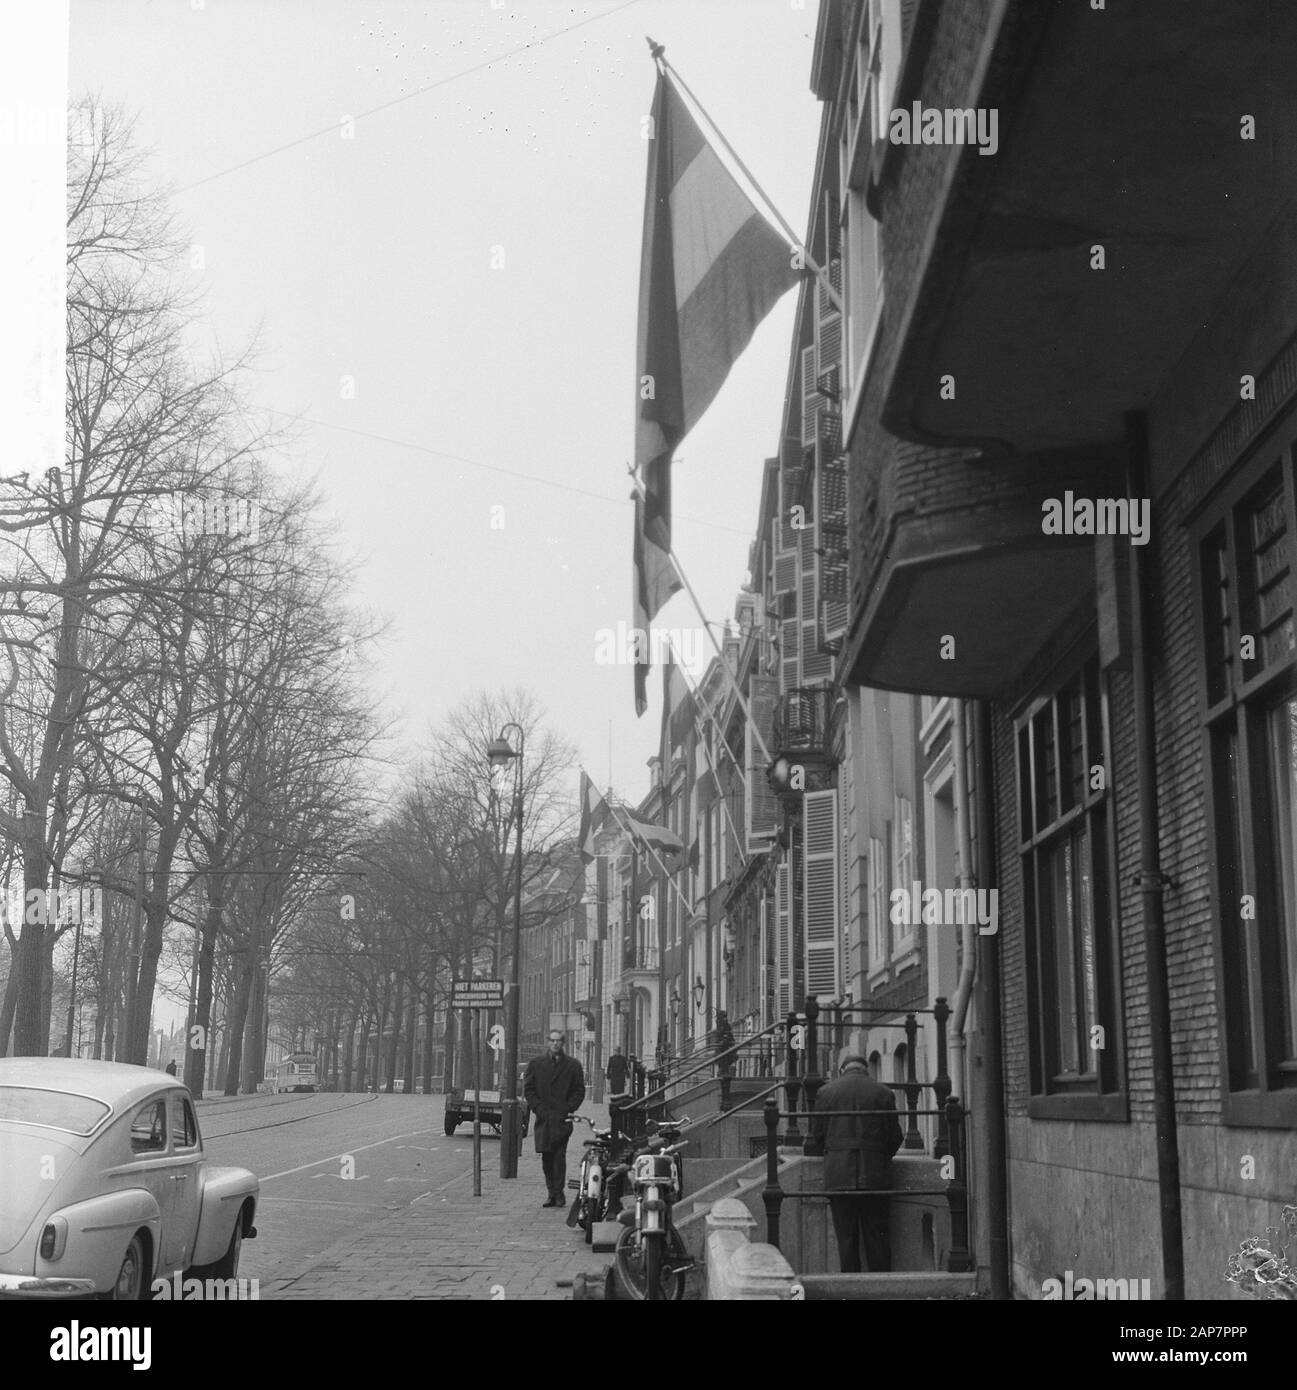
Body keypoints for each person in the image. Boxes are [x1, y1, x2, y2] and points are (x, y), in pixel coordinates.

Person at [809, 1052, 904, 1273]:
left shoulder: (825, 1092)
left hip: (839, 1173)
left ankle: (850, 1288)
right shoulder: (883, 1092)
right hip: (875, 1173)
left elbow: (817, 1137)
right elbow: (895, 1137)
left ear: (842, 1070)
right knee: (877, 1236)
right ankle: (880, 1289)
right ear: (866, 1069)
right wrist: (879, 1155)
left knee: (846, 1238)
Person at [523, 1028, 586, 1208]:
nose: (555, 1043)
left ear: (563, 1043)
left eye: (558, 1041)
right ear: (547, 1042)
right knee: (546, 1157)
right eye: (552, 1040)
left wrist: (568, 1108)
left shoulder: (573, 1065)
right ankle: (551, 1191)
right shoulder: (536, 1064)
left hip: (562, 1119)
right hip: (543, 1118)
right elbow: (529, 1090)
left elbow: (579, 1090)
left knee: (559, 1156)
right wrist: (538, 1108)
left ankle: (558, 1194)